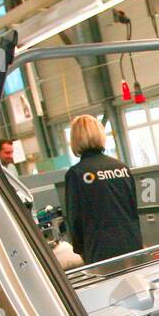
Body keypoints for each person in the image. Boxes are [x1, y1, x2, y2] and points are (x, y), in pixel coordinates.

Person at [63, 114, 142, 265]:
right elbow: (133, 209)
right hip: (131, 242)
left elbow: (75, 217)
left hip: (100, 249)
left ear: (75, 139)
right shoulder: (122, 168)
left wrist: (80, 250)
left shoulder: (77, 174)